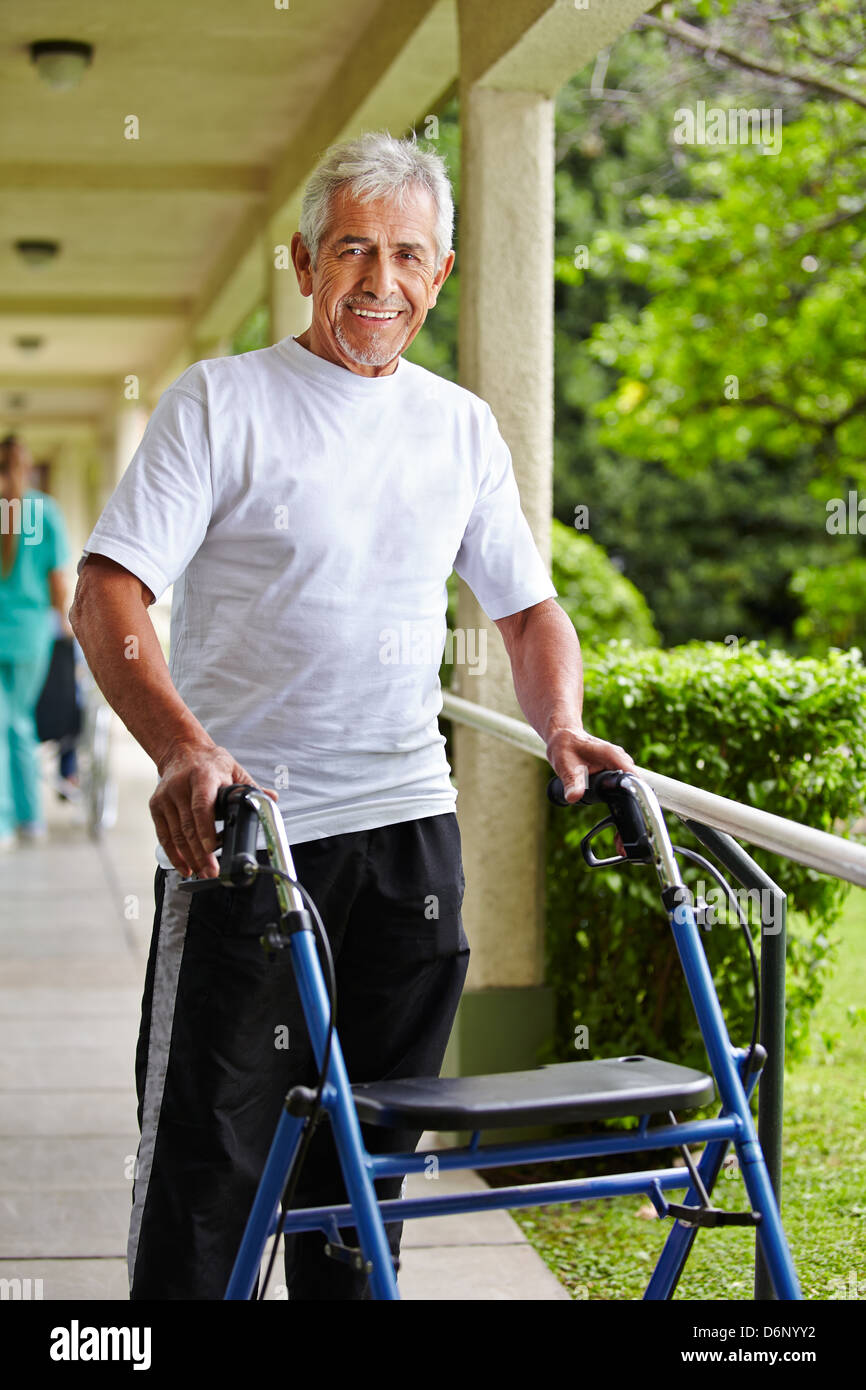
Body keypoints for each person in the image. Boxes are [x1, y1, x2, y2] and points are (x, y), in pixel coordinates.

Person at [69, 131, 634, 1301]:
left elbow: (528, 613)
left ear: (441, 276)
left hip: (407, 835)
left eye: (407, 256)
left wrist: (561, 725)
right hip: (248, 840)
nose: (379, 281)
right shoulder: (222, 402)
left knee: (364, 1167)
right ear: (302, 260)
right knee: (206, 1166)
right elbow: (108, 592)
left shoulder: (459, 425)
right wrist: (184, 746)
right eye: (353, 250)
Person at [0, 435, 72, 849]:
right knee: (19, 721)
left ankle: (6, 821)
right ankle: (30, 818)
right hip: (30, 633)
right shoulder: (44, 512)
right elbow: (57, 581)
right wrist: (61, 622)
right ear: (26, 466)